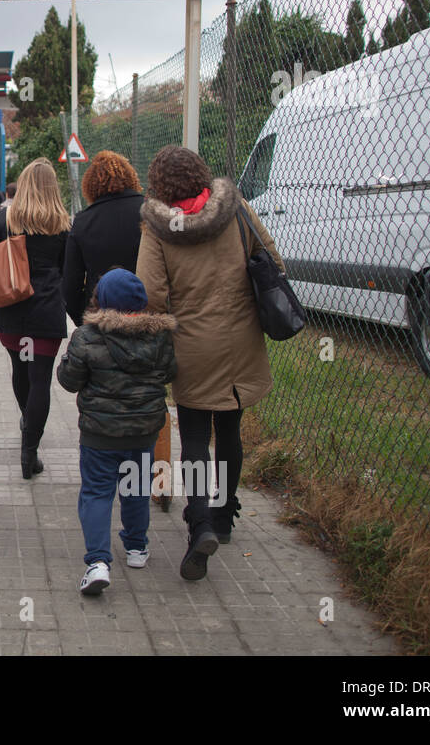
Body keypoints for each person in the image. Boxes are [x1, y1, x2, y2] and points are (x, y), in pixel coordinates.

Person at [136, 145, 287, 581]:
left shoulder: (158, 228)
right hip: (241, 339)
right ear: (201, 174)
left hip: (192, 346)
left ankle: (198, 522)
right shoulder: (236, 209)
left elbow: (150, 294)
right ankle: (223, 517)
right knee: (231, 430)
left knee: (196, 437)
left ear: (160, 184)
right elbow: (272, 260)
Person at [57, 269, 176, 595]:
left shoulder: (87, 336)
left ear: (102, 301)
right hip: (143, 430)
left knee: (96, 492)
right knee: (136, 487)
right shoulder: (160, 336)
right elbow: (169, 373)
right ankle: (137, 548)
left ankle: (97, 562)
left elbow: (69, 381)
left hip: (99, 433)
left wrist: (67, 363)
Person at [0, 158, 71, 479]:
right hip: (46, 314)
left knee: (20, 370)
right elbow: (69, 270)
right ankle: (29, 449)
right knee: (41, 381)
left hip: (11, 311)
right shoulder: (62, 224)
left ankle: (27, 425)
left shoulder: (6, 219)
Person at [62, 152, 145, 327]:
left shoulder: (83, 222)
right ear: (130, 177)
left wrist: (84, 319)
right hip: (144, 312)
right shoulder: (150, 212)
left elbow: (70, 285)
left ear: (90, 186)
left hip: (99, 316)